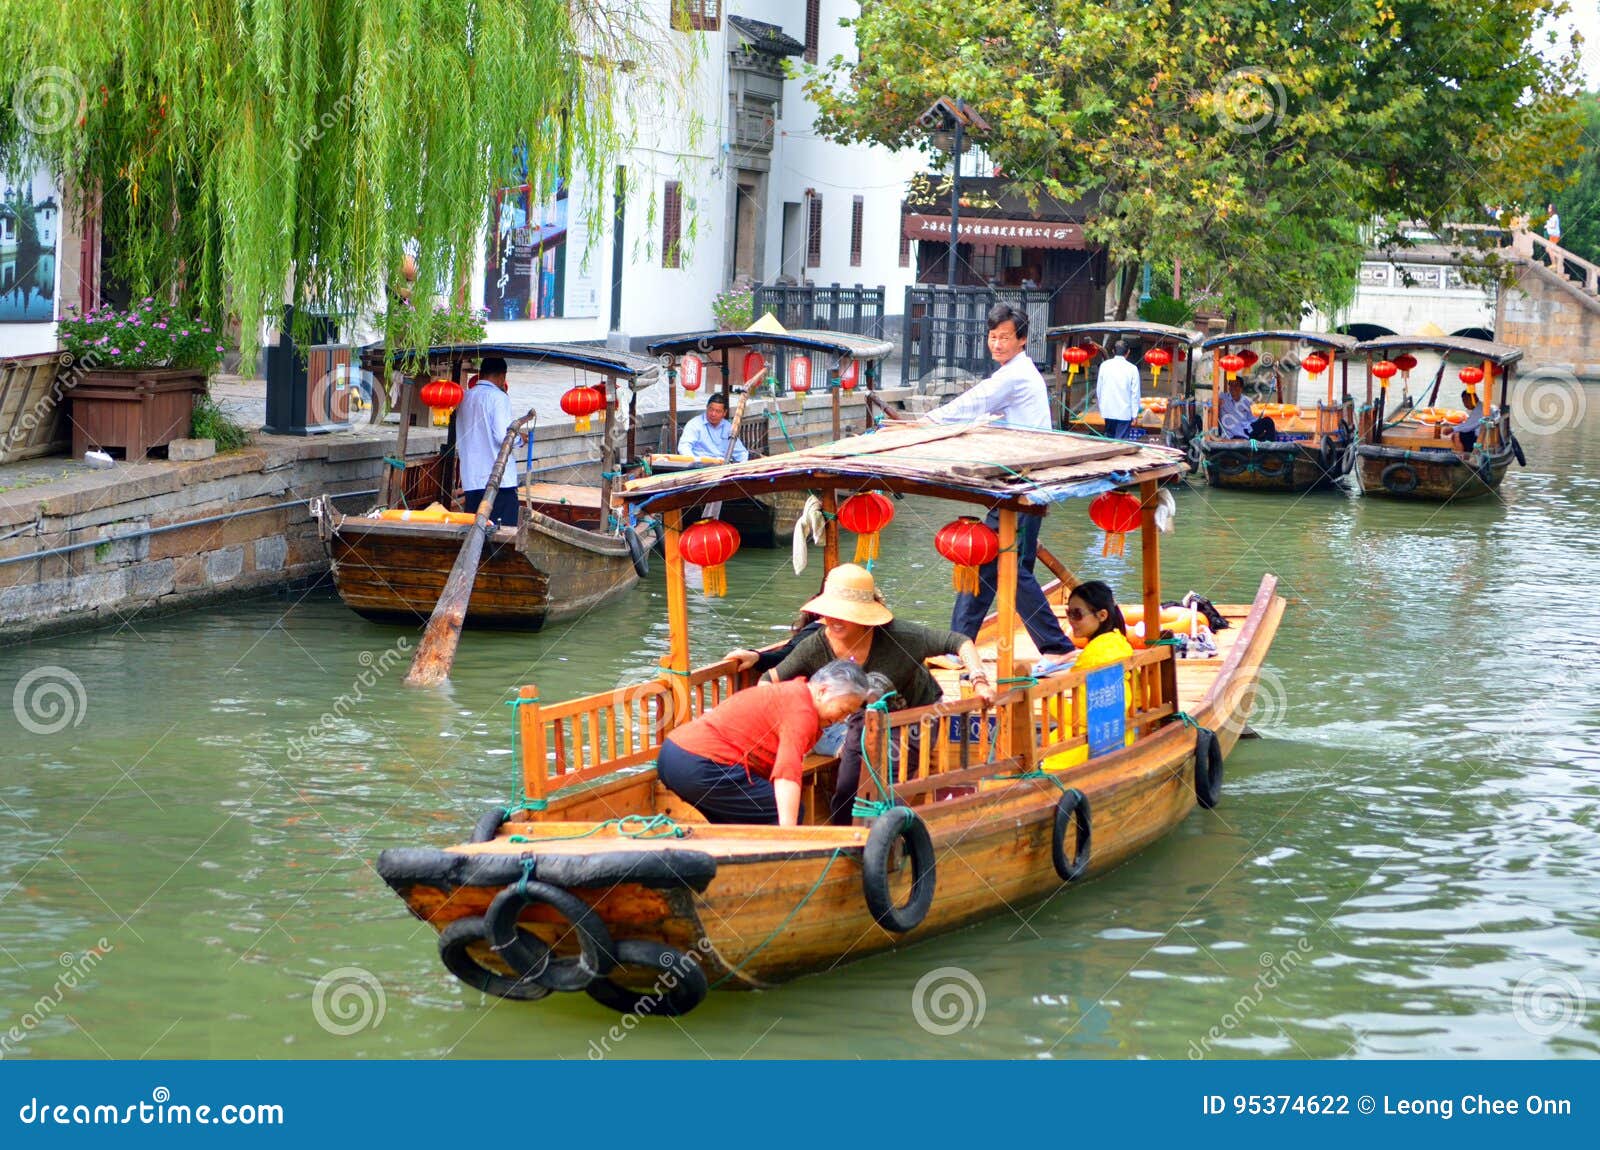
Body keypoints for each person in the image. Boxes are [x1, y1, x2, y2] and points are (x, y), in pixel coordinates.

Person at [872, 303, 1076, 658]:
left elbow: (974, 402)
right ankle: (963, 642)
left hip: (1022, 486)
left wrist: (924, 423)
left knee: (1002, 564)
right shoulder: (1015, 374)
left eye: (1005, 337)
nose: (997, 344)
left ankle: (1029, 644)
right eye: (992, 337)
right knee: (1006, 566)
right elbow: (985, 415)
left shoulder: (1014, 375)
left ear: (1022, 340)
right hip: (1020, 485)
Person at [753, 564, 997, 824]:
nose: (833, 621)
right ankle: (844, 839)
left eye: (843, 614)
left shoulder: (902, 637)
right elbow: (769, 680)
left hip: (913, 715)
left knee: (889, 772)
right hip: (860, 718)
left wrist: (980, 681)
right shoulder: (814, 646)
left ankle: (885, 835)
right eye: (829, 613)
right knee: (848, 782)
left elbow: (959, 642)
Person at [656, 659, 874, 827]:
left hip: (673, 755)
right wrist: (788, 836)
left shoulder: (794, 691)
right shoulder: (802, 711)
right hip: (699, 764)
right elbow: (786, 774)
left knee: (739, 820)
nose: (841, 719)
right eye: (843, 710)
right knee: (787, 813)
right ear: (823, 691)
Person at [1048, 580, 1138, 769]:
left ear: (1102, 615)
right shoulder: (1119, 643)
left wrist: (1050, 699)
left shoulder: (1096, 656)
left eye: (1077, 614)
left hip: (1083, 752)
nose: (1071, 621)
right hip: (1119, 738)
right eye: (1068, 613)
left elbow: (1081, 716)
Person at [455, 356, 522, 527]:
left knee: (477, 529)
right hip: (498, 480)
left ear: (481, 374)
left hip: (471, 477)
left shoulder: (464, 397)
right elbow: (502, 436)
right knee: (503, 532)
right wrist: (520, 439)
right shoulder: (499, 397)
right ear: (502, 376)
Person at [677, 392, 749, 462]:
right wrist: (694, 462)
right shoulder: (694, 424)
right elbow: (684, 447)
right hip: (699, 466)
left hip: (721, 466)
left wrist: (743, 465)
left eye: (718, 411)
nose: (713, 414)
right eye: (711, 410)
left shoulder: (728, 427)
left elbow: (741, 452)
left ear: (724, 413)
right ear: (706, 408)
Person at [1096, 340, 1141, 439]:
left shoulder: (1104, 366)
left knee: (1109, 439)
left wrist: (1101, 407)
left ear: (1113, 351)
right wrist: (1135, 414)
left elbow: (1099, 389)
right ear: (1128, 352)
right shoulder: (1132, 369)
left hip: (1108, 410)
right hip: (1124, 412)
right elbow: (1135, 394)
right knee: (1121, 443)